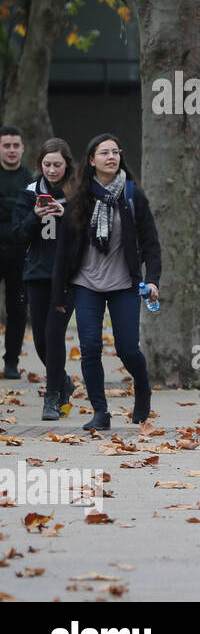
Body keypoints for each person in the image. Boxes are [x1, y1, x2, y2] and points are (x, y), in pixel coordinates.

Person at [51, 134, 161, 431]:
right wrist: (59, 294)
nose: (111, 157)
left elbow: (151, 242)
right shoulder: (80, 197)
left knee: (127, 349)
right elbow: (63, 250)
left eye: (115, 152)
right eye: (104, 153)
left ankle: (143, 387)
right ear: (92, 160)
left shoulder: (132, 195)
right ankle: (100, 412)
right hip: (86, 284)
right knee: (89, 348)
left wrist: (152, 280)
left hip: (124, 284)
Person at [12, 138, 78, 420]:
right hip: (37, 274)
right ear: (40, 164)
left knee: (54, 334)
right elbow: (17, 235)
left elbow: (88, 233)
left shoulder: (78, 193)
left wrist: (67, 216)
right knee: (40, 340)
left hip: (68, 276)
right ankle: (63, 382)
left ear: (67, 165)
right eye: (47, 164)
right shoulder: (29, 194)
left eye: (57, 165)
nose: (52, 170)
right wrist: (35, 216)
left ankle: (51, 398)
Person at [0, 125, 35, 378]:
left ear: (22, 148)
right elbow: (19, 210)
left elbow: (30, 214)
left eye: (15, 145)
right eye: (6, 145)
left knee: (17, 309)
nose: (11, 150)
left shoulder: (31, 179)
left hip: (20, 251)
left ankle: (11, 362)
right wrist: (15, 209)